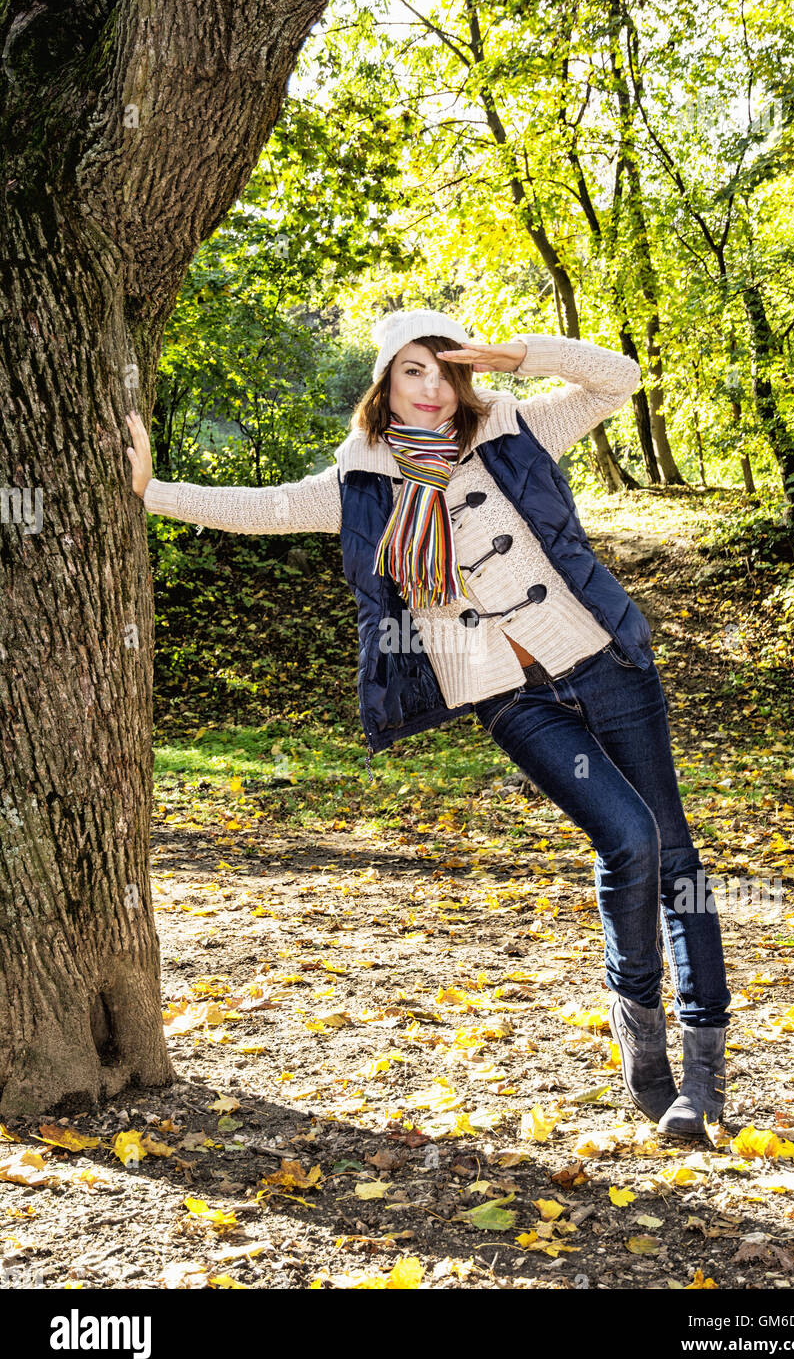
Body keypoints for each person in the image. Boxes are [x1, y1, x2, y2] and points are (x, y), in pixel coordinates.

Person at [127, 308, 731, 1139]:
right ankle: (644, 1046)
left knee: (674, 851)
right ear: (384, 382)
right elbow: (263, 509)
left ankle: (703, 1074)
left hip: (606, 664)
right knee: (629, 839)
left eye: (445, 370)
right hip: (513, 698)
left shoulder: (516, 428)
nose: (431, 388)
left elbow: (618, 379)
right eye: (413, 370)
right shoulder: (361, 486)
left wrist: (519, 355)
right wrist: (151, 491)